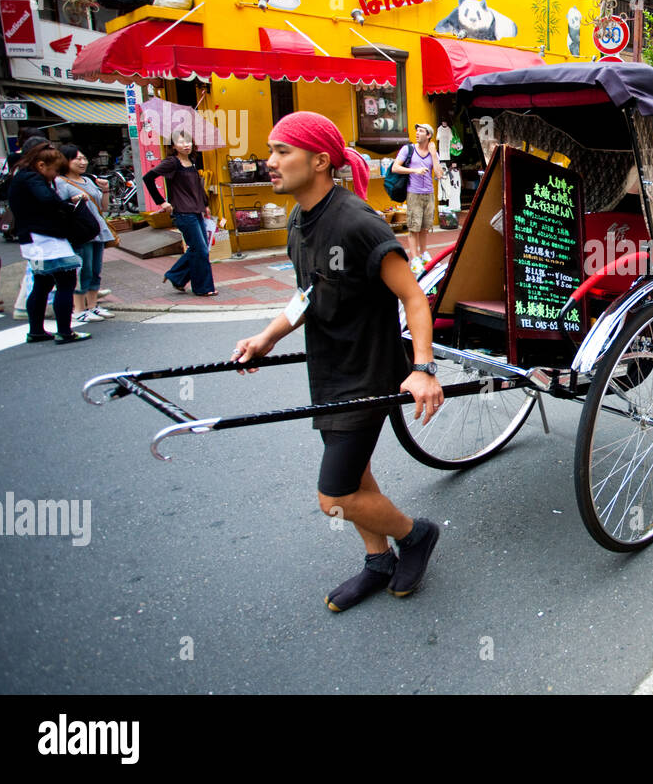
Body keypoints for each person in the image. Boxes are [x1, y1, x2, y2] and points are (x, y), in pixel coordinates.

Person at [233, 111, 444, 613]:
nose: (271, 161)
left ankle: (416, 536)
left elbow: (414, 298)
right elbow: (308, 295)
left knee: (334, 496)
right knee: (357, 474)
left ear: (320, 160)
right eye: (272, 149)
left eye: (283, 151)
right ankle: (378, 561)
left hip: (367, 373)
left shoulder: (357, 223)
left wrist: (422, 368)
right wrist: (266, 337)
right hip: (327, 367)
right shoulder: (300, 221)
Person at [7, 140, 91, 343]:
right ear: (41, 165)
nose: (55, 176)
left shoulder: (20, 177)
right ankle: (64, 331)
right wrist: (67, 205)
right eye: (54, 171)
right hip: (46, 239)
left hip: (32, 239)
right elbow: (47, 200)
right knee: (66, 281)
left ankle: (36, 331)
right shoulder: (33, 179)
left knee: (42, 284)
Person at [144, 131, 216, 296]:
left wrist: (205, 204)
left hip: (196, 210)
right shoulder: (172, 162)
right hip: (183, 212)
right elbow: (148, 178)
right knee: (201, 250)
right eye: (181, 142)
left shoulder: (191, 161)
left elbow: (197, 187)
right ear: (173, 146)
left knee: (199, 249)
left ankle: (176, 277)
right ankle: (203, 288)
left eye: (189, 141)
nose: (186, 145)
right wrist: (161, 201)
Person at [56, 146, 115, 322]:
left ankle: (93, 306)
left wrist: (105, 190)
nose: (83, 162)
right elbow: (58, 208)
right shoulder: (60, 182)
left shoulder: (88, 180)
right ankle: (79, 309)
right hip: (80, 232)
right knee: (84, 270)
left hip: (97, 230)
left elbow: (104, 207)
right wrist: (71, 201)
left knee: (96, 270)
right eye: (77, 159)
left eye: (84, 158)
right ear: (65, 161)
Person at [395, 123, 443, 271]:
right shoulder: (408, 149)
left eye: (421, 131)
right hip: (414, 193)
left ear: (428, 135)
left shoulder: (432, 152)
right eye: (417, 131)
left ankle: (423, 254)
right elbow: (395, 167)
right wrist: (414, 170)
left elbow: (439, 174)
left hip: (428, 194)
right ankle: (415, 258)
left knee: (424, 228)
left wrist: (434, 154)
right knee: (413, 228)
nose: (417, 133)